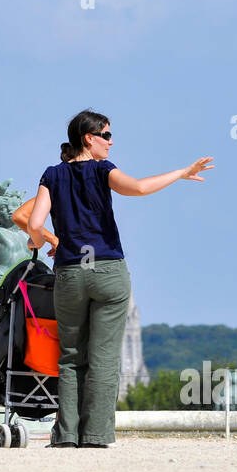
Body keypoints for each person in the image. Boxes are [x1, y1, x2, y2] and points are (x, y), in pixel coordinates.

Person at [26, 109, 212, 448]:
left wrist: (41, 243)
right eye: (107, 135)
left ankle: (67, 434)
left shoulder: (52, 175)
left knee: (70, 356)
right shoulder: (102, 170)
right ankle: (96, 434)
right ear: (89, 138)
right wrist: (182, 172)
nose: (111, 142)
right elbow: (139, 188)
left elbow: (35, 224)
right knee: (104, 358)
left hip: (70, 272)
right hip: (108, 269)